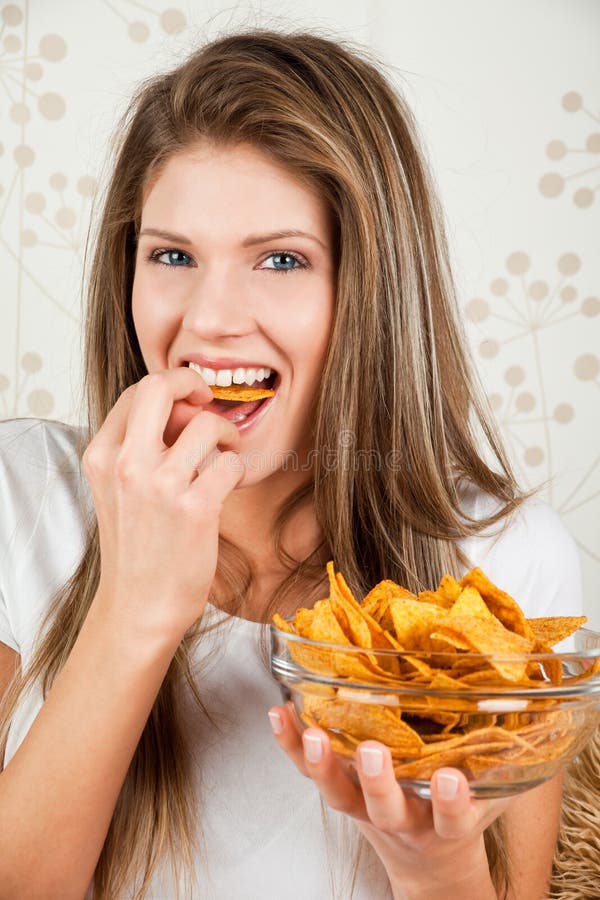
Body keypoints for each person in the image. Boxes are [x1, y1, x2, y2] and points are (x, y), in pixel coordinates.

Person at [0, 28, 583, 900]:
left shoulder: (503, 559)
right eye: (171, 255)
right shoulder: (25, 495)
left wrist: (439, 868)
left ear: (371, 292)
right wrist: (134, 609)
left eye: (281, 259)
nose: (212, 318)